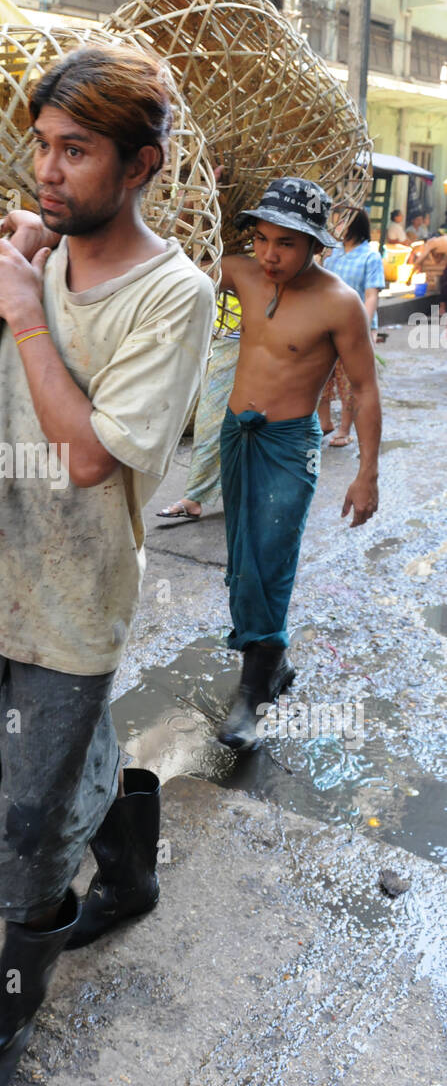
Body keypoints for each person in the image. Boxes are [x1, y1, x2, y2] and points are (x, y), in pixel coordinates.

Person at [0, 45, 215, 1086]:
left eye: (76, 151)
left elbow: (90, 455)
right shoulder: (28, 255)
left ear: (140, 165)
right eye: (41, 145)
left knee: (22, 806)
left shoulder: (174, 295)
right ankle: (130, 873)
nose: (48, 169)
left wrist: (30, 315)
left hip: (78, 591)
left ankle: (6, 1003)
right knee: (56, 748)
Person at [216, 178, 381, 751]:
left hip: (292, 444)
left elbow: (365, 388)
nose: (269, 254)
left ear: (315, 245)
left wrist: (366, 474)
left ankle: (255, 691)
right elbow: (173, 267)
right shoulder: (239, 272)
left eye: (286, 243)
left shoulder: (339, 302)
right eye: (261, 239)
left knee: (271, 555)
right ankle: (273, 660)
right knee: (242, 558)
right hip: (237, 435)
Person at [157, 290, 241, 521]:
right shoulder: (226, 261)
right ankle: (194, 496)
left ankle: (249, 493)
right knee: (210, 420)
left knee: (256, 423)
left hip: (262, 343)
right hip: (222, 338)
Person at [318, 208, 385, 448]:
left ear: (353, 227)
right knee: (321, 375)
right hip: (326, 323)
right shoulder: (331, 253)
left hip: (355, 326)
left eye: (340, 223)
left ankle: (345, 430)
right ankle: (324, 422)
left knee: (349, 380)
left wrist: (363, 329)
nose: (335, 227)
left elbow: (371, 296)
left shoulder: (370, 256)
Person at [410, 232, 447, 316]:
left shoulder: (431, 242)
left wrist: (409, 277)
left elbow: (419, 261)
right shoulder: (441, 242)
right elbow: (437, 259)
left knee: (443, 282)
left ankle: (442, 308)